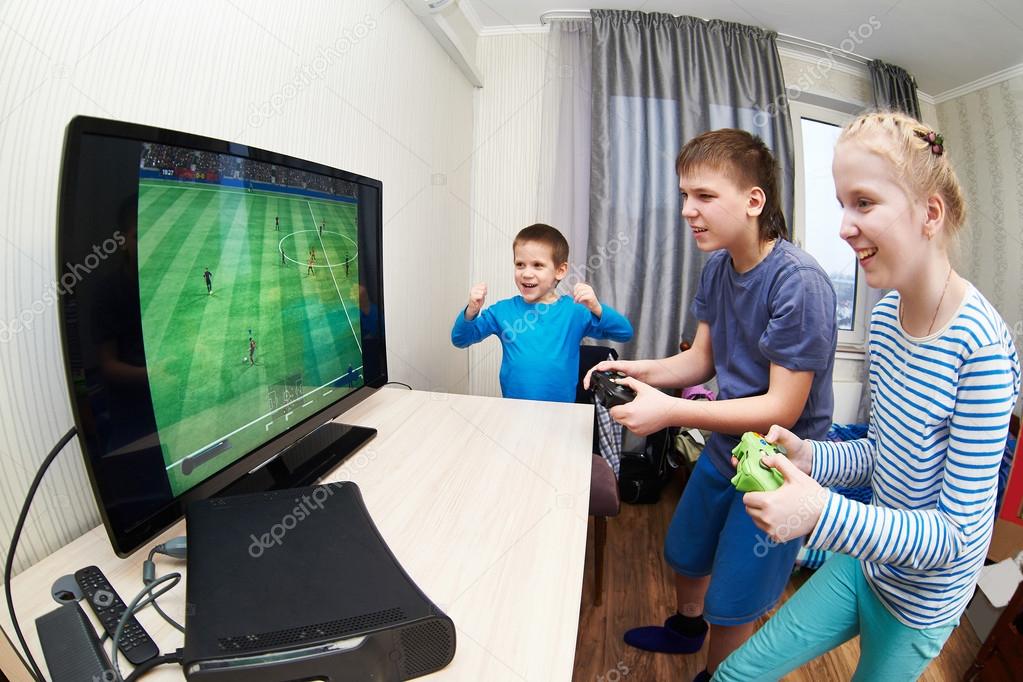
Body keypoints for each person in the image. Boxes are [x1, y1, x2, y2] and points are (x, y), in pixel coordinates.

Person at [713, 112, 1021, 681]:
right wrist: (813, 458)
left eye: (864, 202)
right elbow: (884, 450)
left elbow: (955, 537)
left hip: (920, 607)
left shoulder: (981, 351)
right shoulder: (883, 321)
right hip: (866, 565)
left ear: (931, 213)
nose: (844, 226)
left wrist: (819, 512)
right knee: (736, 674)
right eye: (841, 204)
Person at [585, 129, 838, 682]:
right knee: (686, 550)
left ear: (754, 201)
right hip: (726, 447)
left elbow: (782, 410)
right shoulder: (719, 267)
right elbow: (700, 363)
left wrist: (671, 412)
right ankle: (684, 630)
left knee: (735, 597)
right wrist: (636, 369)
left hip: (777, 464)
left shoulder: (799, 283)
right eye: (683, 196)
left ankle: (718, 676)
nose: (686, 211)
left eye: (702, 196)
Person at [451, 223, 633, 403]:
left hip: (561, 413)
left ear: (560, 271)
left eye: (537, 265)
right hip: (513, 410)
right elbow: (460, 339)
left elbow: (624, 333)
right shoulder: (502, 310)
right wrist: (471, 312)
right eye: (520, 264)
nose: (526, 273)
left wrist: (596, 307)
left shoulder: (575, 312)